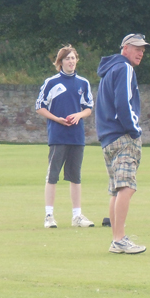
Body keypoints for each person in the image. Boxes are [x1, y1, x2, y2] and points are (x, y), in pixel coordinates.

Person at [95, 33, 150, 254]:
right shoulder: (125, 69)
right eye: (137, 48)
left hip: (107, 138)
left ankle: (116, 238)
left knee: (116, 190)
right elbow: (123, 104)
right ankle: (119, 239)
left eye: (143, 50)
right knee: (127, 187)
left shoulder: (109, 70)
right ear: (125, 48)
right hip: (123, 137)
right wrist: (135, 130)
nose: (140, 53)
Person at [35, 44, 95, 229]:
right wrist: (57, 119)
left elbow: (88, 108)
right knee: (52, 176)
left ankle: (77, 216)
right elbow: (40, 107)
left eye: (73, 58)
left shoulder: (83, 83)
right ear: (60, 62)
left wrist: (78, 115)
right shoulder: (51, 82)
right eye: (67, 58)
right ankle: (49, 216)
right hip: (58, 136)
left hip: (76, 136)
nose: (71, 61)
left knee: (75, 177)